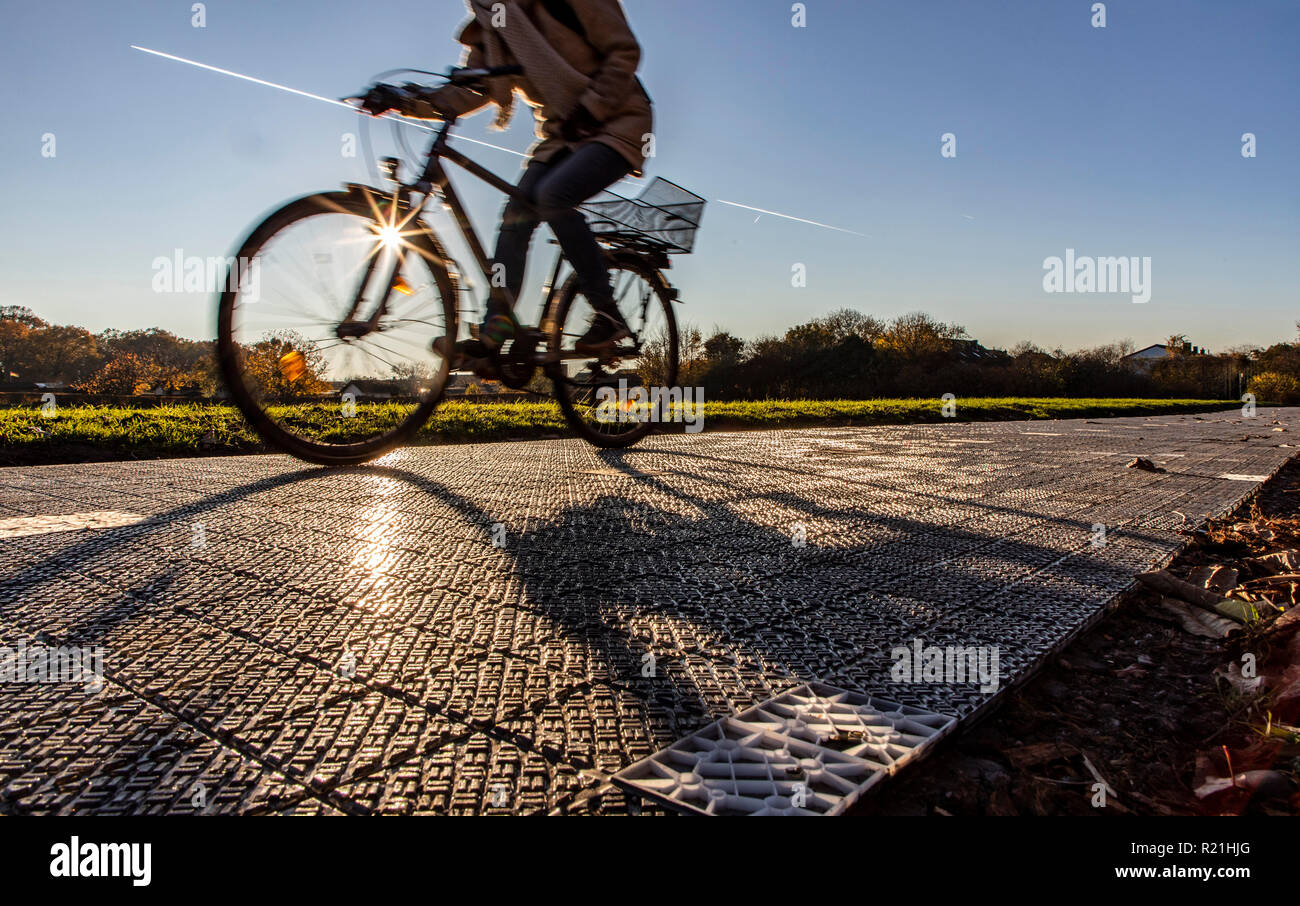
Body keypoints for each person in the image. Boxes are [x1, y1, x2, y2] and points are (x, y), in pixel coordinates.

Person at [361, 0, 653, 368]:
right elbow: (473, 88)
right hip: (562, 136)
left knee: (554, 195)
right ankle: (493, 332)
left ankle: (609, 316)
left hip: (617, 122)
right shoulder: (491, 22)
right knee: (516, 216)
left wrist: (591, 109)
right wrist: (408, 99)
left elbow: (624, 52)